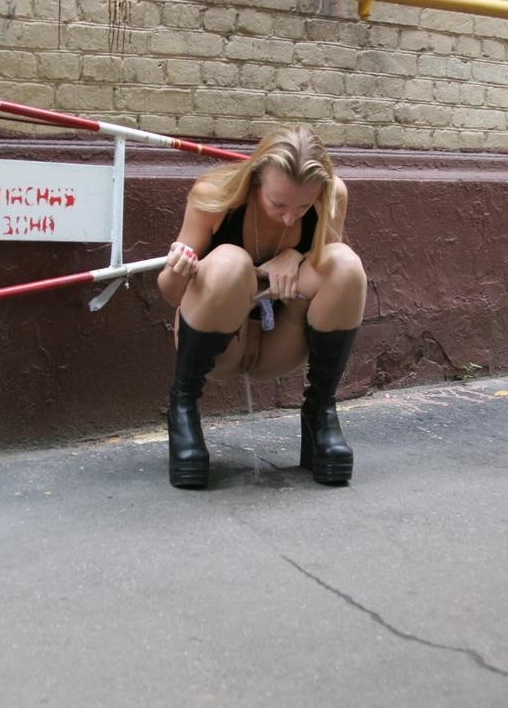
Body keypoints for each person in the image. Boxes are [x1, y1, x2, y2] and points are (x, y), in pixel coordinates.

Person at [156, 125, 368, 489]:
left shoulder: (331, 196)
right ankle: (183, 407)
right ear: (255, 179)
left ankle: (321, 413)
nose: (290, 217)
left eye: (303, 207)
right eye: (278, 204)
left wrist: (294, 257)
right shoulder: (215, 196)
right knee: (229, 261)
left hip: (280, 341)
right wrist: (181, 270)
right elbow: (170, 293)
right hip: (220, 346)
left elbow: (326, 268)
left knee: (345, 264)